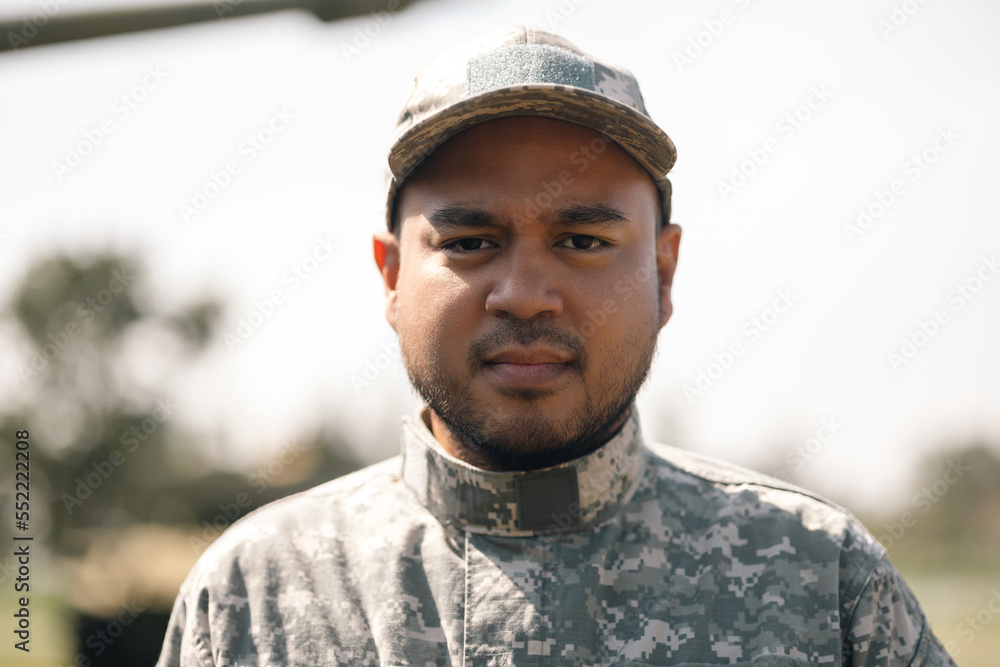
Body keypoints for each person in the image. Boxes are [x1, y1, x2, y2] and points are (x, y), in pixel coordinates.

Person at [156, 25, 956, 666]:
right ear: (393, 275)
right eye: (470, 242)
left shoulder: (821, 579)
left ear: (663, 271)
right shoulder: (253, 595)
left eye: (580, 239)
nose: (526, 293)